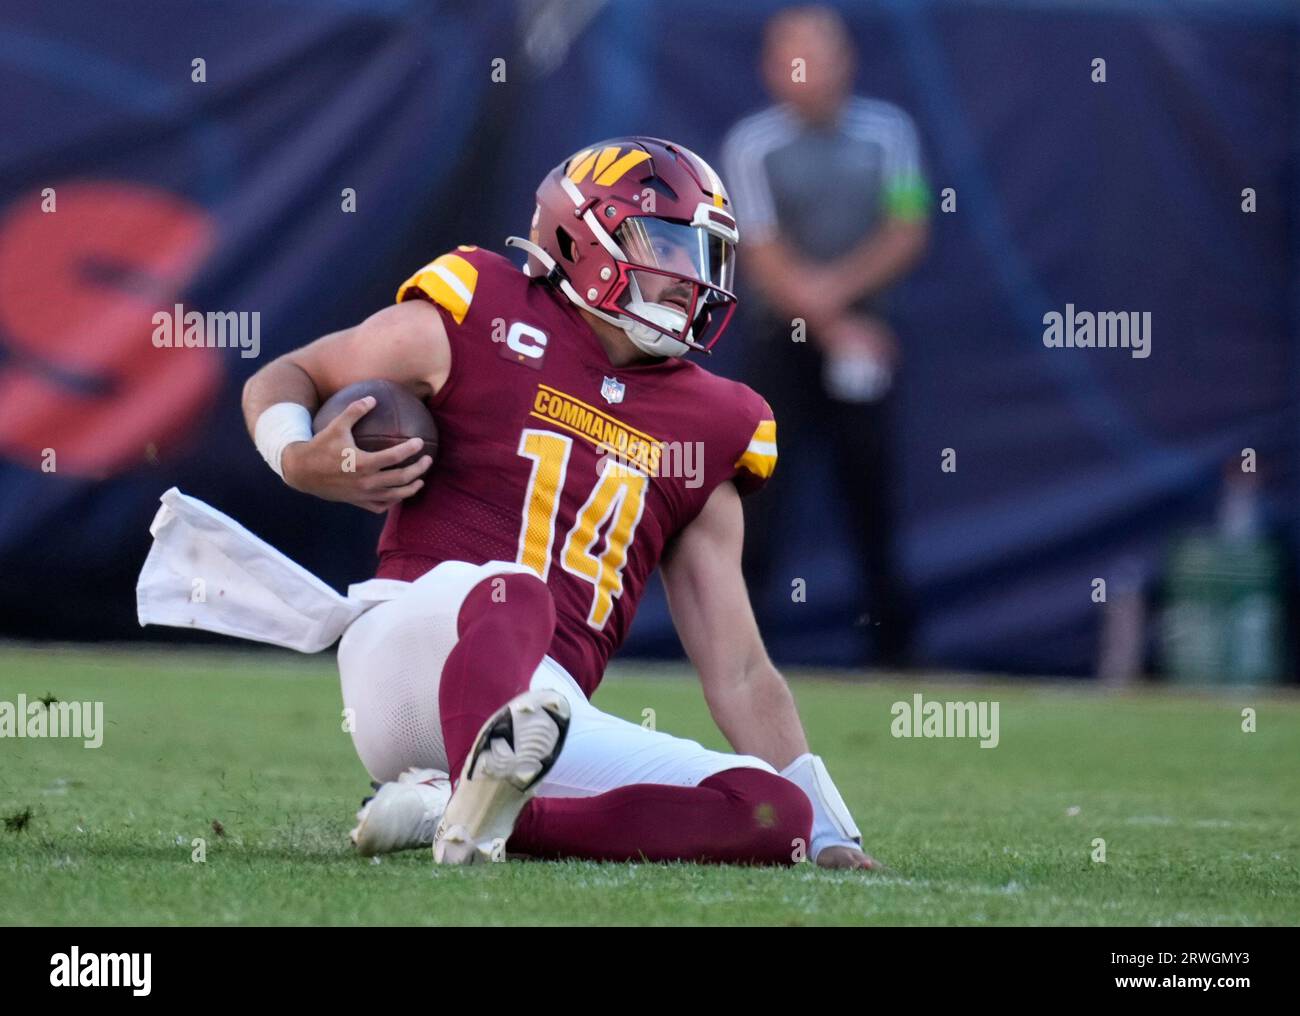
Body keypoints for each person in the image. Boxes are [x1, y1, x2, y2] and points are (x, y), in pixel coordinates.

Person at [240, 136, 873, 868]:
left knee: (772, 813)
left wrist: (828, 834)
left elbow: (739, 672)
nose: (688, 278)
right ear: (581, 235)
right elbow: (291, 372)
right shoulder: (479, 309)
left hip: (545, 713)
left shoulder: (714, 423)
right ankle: (477, 798)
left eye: (703, 256)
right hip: (411, 657)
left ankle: (461, 813)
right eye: (668, 245)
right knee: (516, 596)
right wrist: (295, 456)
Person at [721, 5, 929, 665]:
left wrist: (841, 313)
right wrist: (829, 323)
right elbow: (762, 252)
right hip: (777, 342)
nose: (804, 72)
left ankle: (893, 659)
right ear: (769, 68)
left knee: (872, 495)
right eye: (790, 57)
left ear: (846, 61)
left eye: (817, 55)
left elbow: (908, 228)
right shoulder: (751, 145)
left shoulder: (890, 134)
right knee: (759, 499)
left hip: (867, 338)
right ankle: (739, 655)